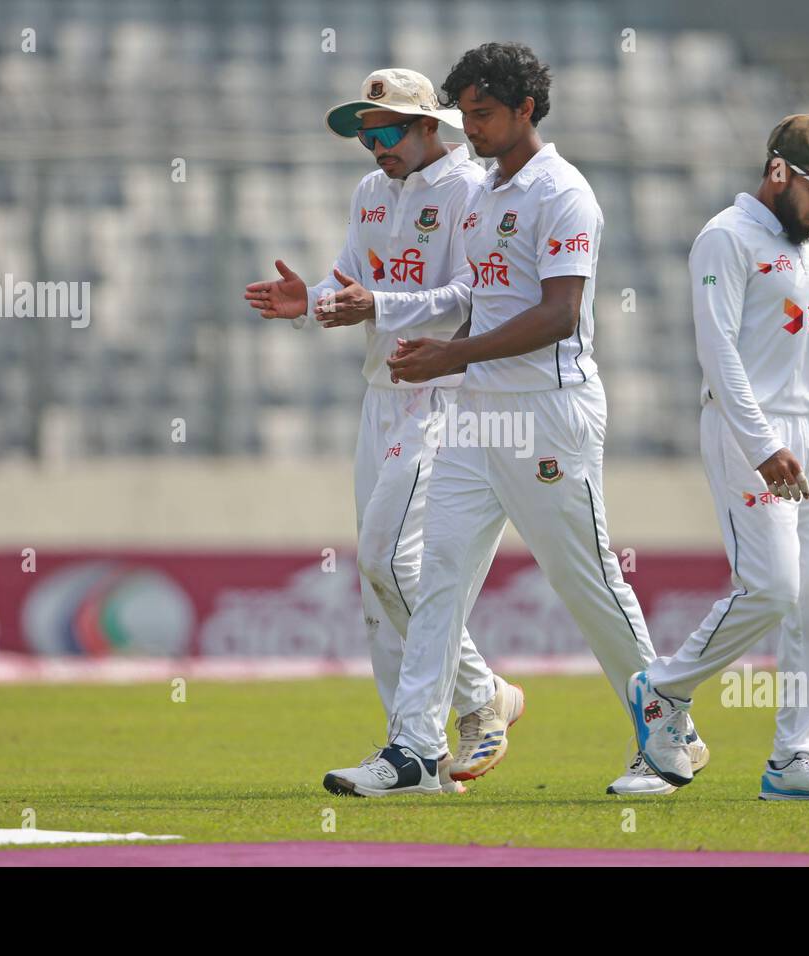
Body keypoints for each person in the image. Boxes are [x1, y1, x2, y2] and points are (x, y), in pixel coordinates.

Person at [323, 43, 707, 798]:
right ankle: (414, 754)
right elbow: (469, 294)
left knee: (587, 581)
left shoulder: (562, 192)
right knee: (436, 582)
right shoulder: (486, 192)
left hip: (545, 413)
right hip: (474, 414)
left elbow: (560, 315)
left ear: (527, 108)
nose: (472, 129)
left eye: (485, 114)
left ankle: (671, 739)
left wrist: (452, 356)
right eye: (463, 114)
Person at [245, 69, 522, 796]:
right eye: (366, 134)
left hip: (447, 392)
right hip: (382, 397)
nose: (375, 146)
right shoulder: (370, 194)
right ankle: (422, 762)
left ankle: (474, 699)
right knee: (379, 591)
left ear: (433, 124)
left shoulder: (472, 191)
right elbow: (349, 287)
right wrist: (310, 301)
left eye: (389, 129)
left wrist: (380, 302)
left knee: (385, 559)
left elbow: (475, 297)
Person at [629, 115, 809, 801]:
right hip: (749, 432)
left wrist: (800, 439)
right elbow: (719, 352)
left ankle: (797, 760)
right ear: (778, 173)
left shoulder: (808, 246)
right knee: (772, 588)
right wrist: (763, 443)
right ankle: (662, 687)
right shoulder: (725, 238)